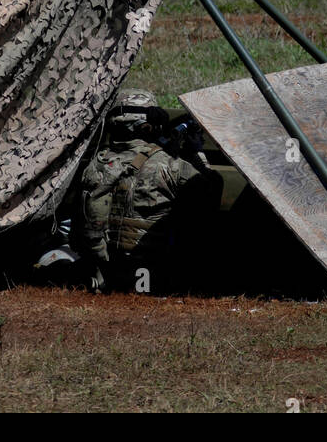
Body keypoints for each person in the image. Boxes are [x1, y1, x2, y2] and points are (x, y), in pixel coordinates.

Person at [38, 89, 221, 294]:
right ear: (149, 125)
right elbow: (211, 192)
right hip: (152, 276)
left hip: (103, 270)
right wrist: (196, 151)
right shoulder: (171, 166)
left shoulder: (96, 163)